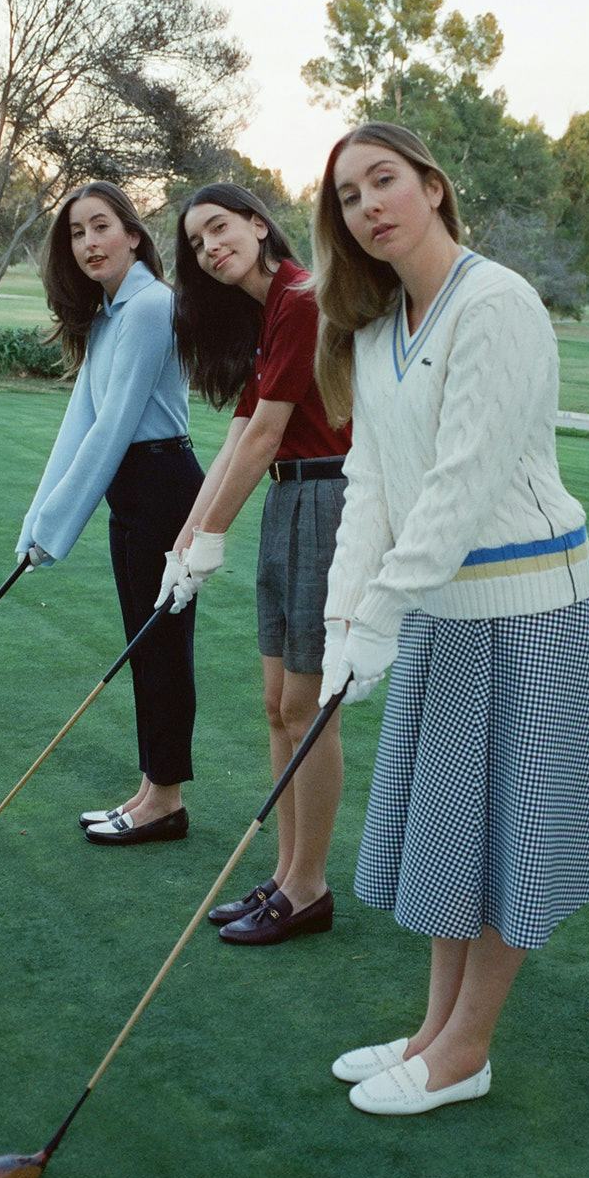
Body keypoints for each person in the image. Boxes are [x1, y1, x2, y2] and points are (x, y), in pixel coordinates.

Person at [313, 122, 589, 1114]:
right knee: (455, 835)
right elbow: (368, 485)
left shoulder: (496, 303)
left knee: (511, 841)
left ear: (432, 186)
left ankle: (467, 1048)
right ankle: (432, 1032)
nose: (370, 205)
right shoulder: (373, 332)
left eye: (384, 181)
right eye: (349, 196)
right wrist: (342, 624)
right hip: (440, 613)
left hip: (528, 611)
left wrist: (380, 616)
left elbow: (460, 487)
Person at [163, 183, 351, 944]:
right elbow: (240, 437)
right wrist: (186, 536)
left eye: (219, 228)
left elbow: (271, 434)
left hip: (325, 502)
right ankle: (283, 876)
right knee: (277, 704)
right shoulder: (267, 314)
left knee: (306, 708)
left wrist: (211, 537)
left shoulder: (303, 297)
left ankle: (308, 887)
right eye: (198, 243)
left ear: (255, 222)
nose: (211, 247)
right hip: (286, 505)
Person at [17, 181, 202, 846]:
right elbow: (80, 422)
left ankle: (166, 801)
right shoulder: (108, 315)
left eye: (100, 227)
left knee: (159, 649)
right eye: (75, 233)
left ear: (132, 234)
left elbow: (115, 426)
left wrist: (56, 530)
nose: (89, 242)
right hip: (133, 487)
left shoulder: (151, 306)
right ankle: (153, 790)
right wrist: (37, 526)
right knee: (143, 647)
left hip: (162, 483)